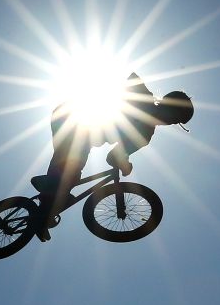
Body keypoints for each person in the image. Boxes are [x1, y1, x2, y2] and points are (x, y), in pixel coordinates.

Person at [32, 72, 193, 235]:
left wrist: (124, 163)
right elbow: (132, 78)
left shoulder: (146, 134)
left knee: (71, 177)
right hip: (73, 117)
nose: (169, 122)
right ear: (168, 106)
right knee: (71, 163)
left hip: (81, 131)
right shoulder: (146, 106)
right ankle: (47, 190)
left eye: (174, 122)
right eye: (173, 117)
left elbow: (114, 156)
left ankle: (41, 215)